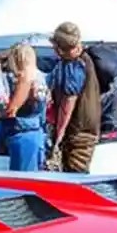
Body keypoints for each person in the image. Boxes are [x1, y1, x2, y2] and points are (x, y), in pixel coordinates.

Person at [46, 22, 100, 173]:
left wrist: (59, 136)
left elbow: (69, 100)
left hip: (79, 134)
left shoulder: (75, 65)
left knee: (75, 177)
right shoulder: (84, 60)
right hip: (84, 132)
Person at [0, 43, 48, 172]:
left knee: (22, 181)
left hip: (22, 133)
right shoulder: (42, 77)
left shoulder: (25, 79)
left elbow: (11, 111)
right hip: (38, 132)